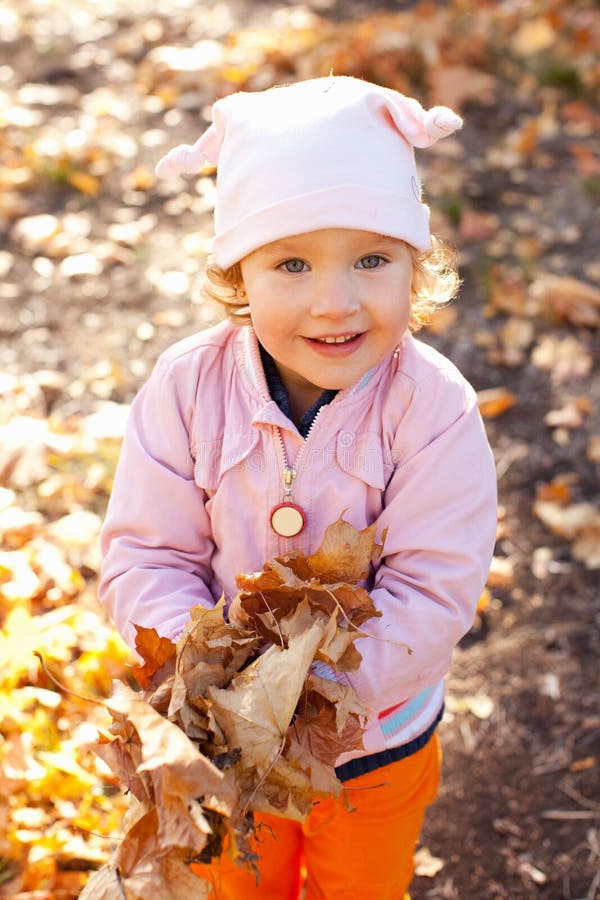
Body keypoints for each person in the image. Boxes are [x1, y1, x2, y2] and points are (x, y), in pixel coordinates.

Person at [99, 75, 497, 900]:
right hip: (227, 750)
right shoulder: (186, 390)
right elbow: (146, 553)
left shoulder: (433, 410)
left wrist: (311, 696)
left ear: (414, 264)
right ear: (238, 272)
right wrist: (210, 675)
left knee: (362, 886)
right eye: (291, 262)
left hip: (373, 745)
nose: (336, 300)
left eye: (373, 258)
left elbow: (435, 586)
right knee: (241, 886)